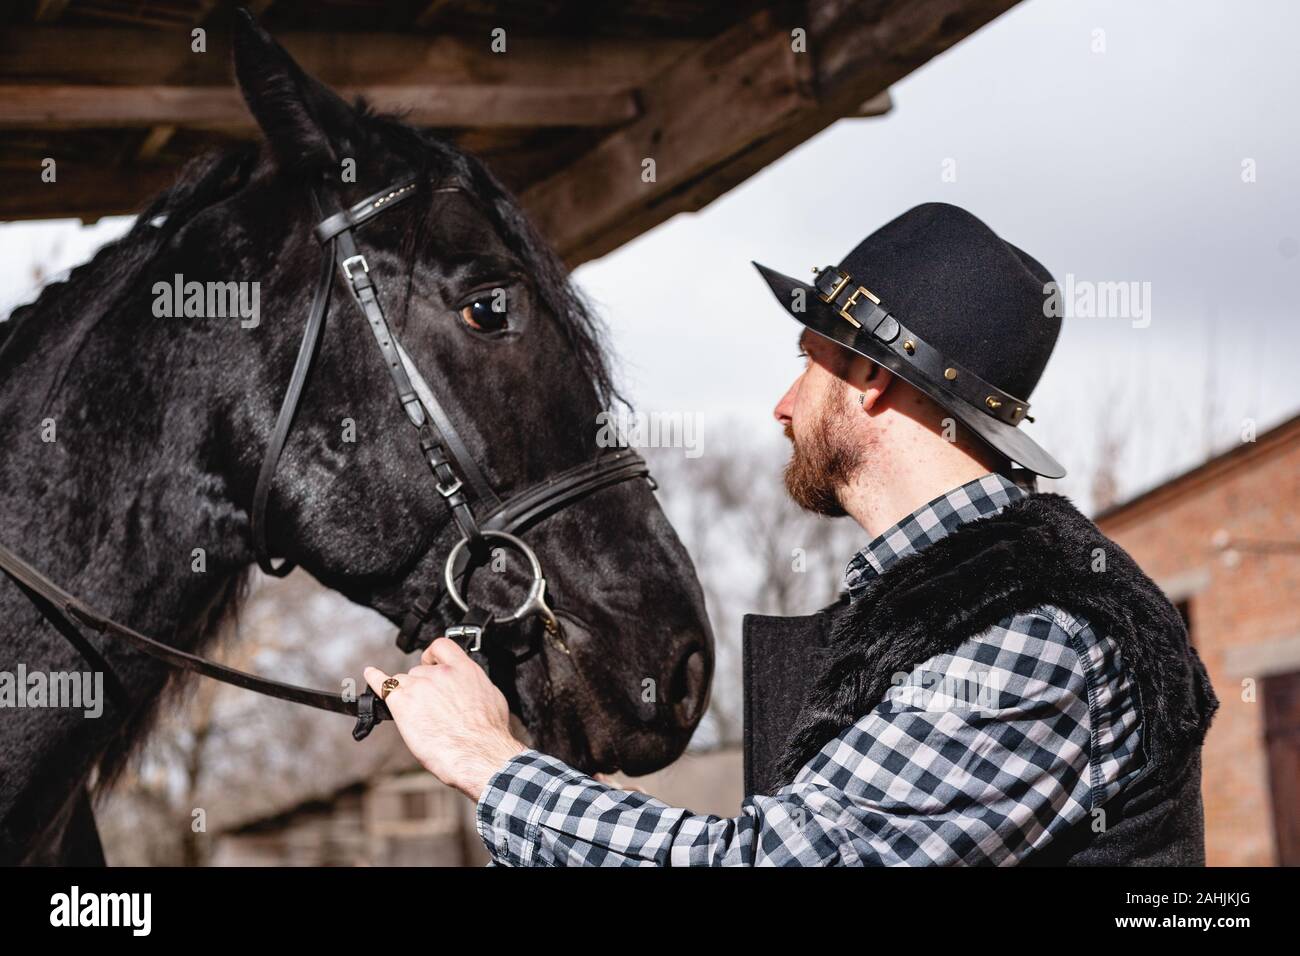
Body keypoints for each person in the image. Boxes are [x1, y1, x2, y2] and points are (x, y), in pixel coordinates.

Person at [365, 203, 1218, 866]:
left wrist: (488, 762)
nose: (782, 403)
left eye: (809, 359)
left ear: (873, 383)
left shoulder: (1038, 630)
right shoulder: (926, 613)